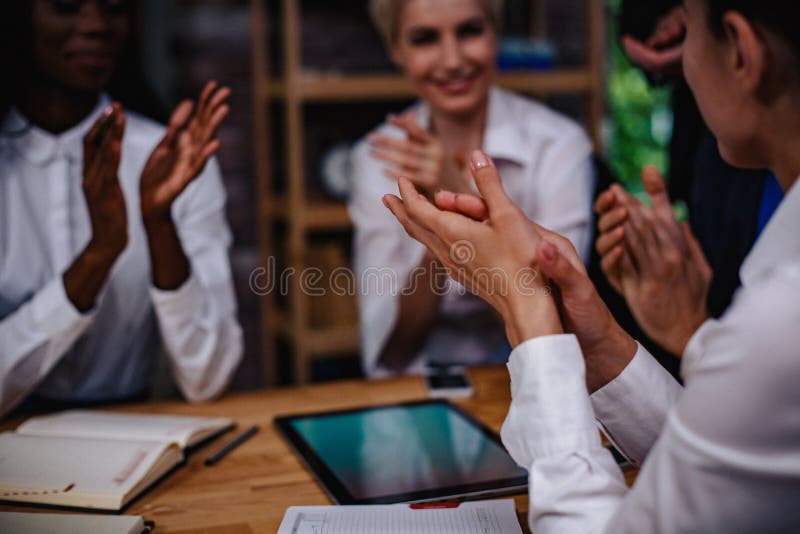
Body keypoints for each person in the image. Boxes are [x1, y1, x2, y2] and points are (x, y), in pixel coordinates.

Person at [383, 0, 800, 530]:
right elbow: (727, 470)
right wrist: (603, 343)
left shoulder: (781, 313)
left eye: (689, 28)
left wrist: (527, 310)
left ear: (740, 52)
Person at [0, 0, 243, 416]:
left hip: (133, 435)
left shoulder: (174, 158)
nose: (96, 25)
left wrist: (159, 224)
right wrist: (100, 254)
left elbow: (209, 376)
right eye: (67, 5)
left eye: (114, 7)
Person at [349, 0, 595, 377]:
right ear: (395, 50)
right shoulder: (376, 157)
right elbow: (393, 351)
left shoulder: (559, 145)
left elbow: (559, 331)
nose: (452, 60)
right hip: (418, 387)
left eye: (469, 31)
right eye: (424, 38)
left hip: (538, 379)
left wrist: (458, 197)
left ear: (495, 33)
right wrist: (440, 233)